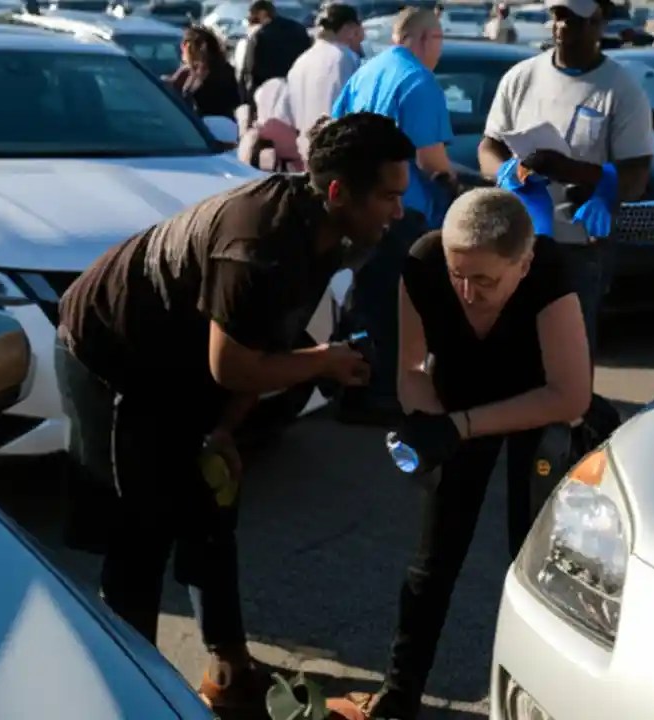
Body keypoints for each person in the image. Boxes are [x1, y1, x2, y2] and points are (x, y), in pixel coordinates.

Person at [53, 112, 415, 716]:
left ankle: (228, 674)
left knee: (211, 509)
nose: (398, 211)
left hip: (186, 355)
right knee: (141, 534)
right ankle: (131, 693)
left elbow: (267, 342)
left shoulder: (332, 234)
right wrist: (324, 362)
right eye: (388, 196)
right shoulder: (258, 244)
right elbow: (234, 366)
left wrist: (223, 431)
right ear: (336, 192)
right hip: (113, 354)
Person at [333, 189, 592, 720]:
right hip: (456, 398)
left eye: (486, 280)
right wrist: (429, 423)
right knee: (434, 560)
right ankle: (399, 694)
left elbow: (570, 394)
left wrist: (461, 425)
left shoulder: (549, 273)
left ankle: (539, 699)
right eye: (460, 276)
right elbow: (409, 368)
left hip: (533, 407)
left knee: (537, 559)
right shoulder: (425, 263)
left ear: (523, 264)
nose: (468, 293)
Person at [478, 0, 654, 360]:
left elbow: (636, 174)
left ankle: (570, 414)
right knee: (512, 345)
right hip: (515, 239)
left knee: (568, 350)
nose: (561, 27)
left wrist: (576, 175)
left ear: (598, 22)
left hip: (579, 246)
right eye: (556, 16)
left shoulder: (621, 90)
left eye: (573, 19)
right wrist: (504, 172)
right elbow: (488, 147)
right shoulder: (521, 77)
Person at [331, 7, 456, 423]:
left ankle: (352, 387)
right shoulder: (419, 81)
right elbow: (429, 157)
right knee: (396, 307)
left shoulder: (366, 72)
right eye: (439, 39)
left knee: (363, 300)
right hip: (403, 213)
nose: (440, 48)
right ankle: (384, 394)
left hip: (359, 209)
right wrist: (453, 178)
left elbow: (336, 128)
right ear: (422, 38)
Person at [288, 2, 365, 160]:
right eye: (359, 35)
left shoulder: (300, 62)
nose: (360, 43)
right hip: (339, 153)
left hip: (307, 153)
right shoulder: (345, 57)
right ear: (350, 29)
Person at [239, 0, 313, 112]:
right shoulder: (299, 29)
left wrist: (247, 102)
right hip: (297, 93)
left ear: (262, 13)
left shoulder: (259, 36)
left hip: (266, 96)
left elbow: (249, 70)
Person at [167, 25, 241, 120]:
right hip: (226, 125)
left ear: (188, 47)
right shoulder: (226, 70)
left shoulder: (195, 73)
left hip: (202, 127)